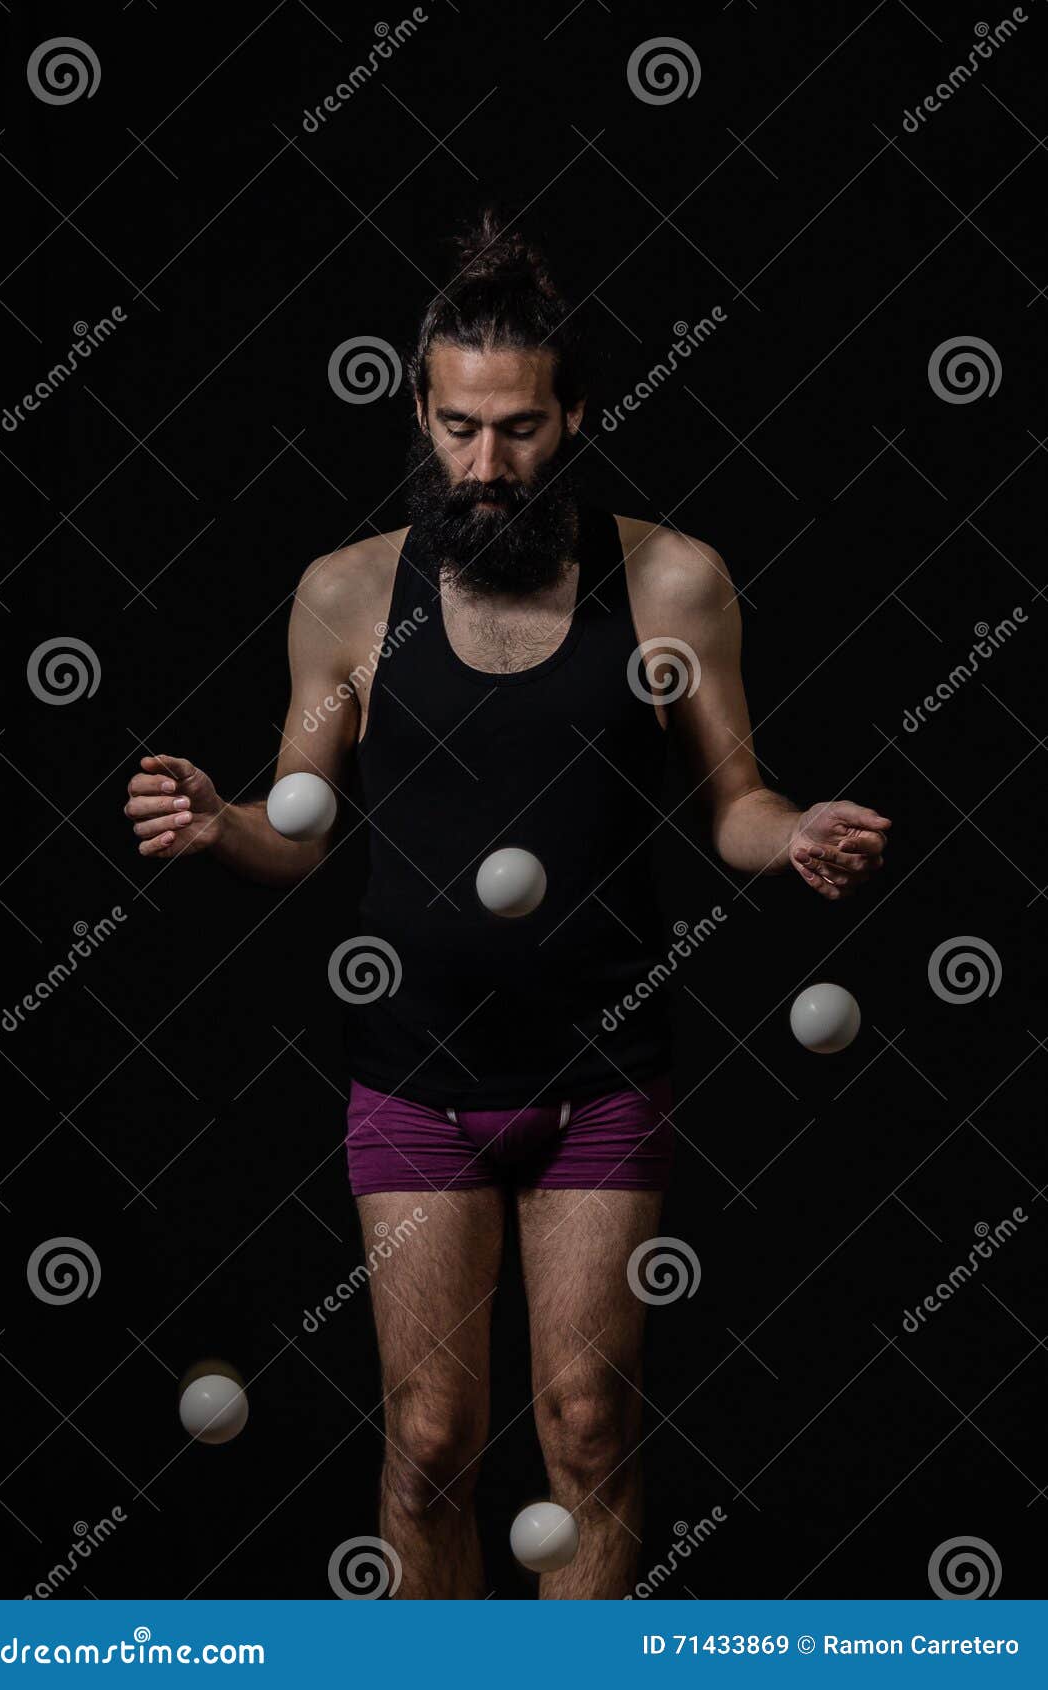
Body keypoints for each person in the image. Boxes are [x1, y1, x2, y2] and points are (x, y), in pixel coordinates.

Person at [123, 209, 890, 1598]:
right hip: (414, 1070)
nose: (487, 466)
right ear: (421, 408)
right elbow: (298, 826)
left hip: (603, 1068)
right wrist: (223, 822)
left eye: (522, 429)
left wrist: (795, 837)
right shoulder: (347, 595)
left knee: (590, 1431)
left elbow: (736, 803)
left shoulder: (672, 582)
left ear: (579, 411)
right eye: (461, 427)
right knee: (428, 1441)